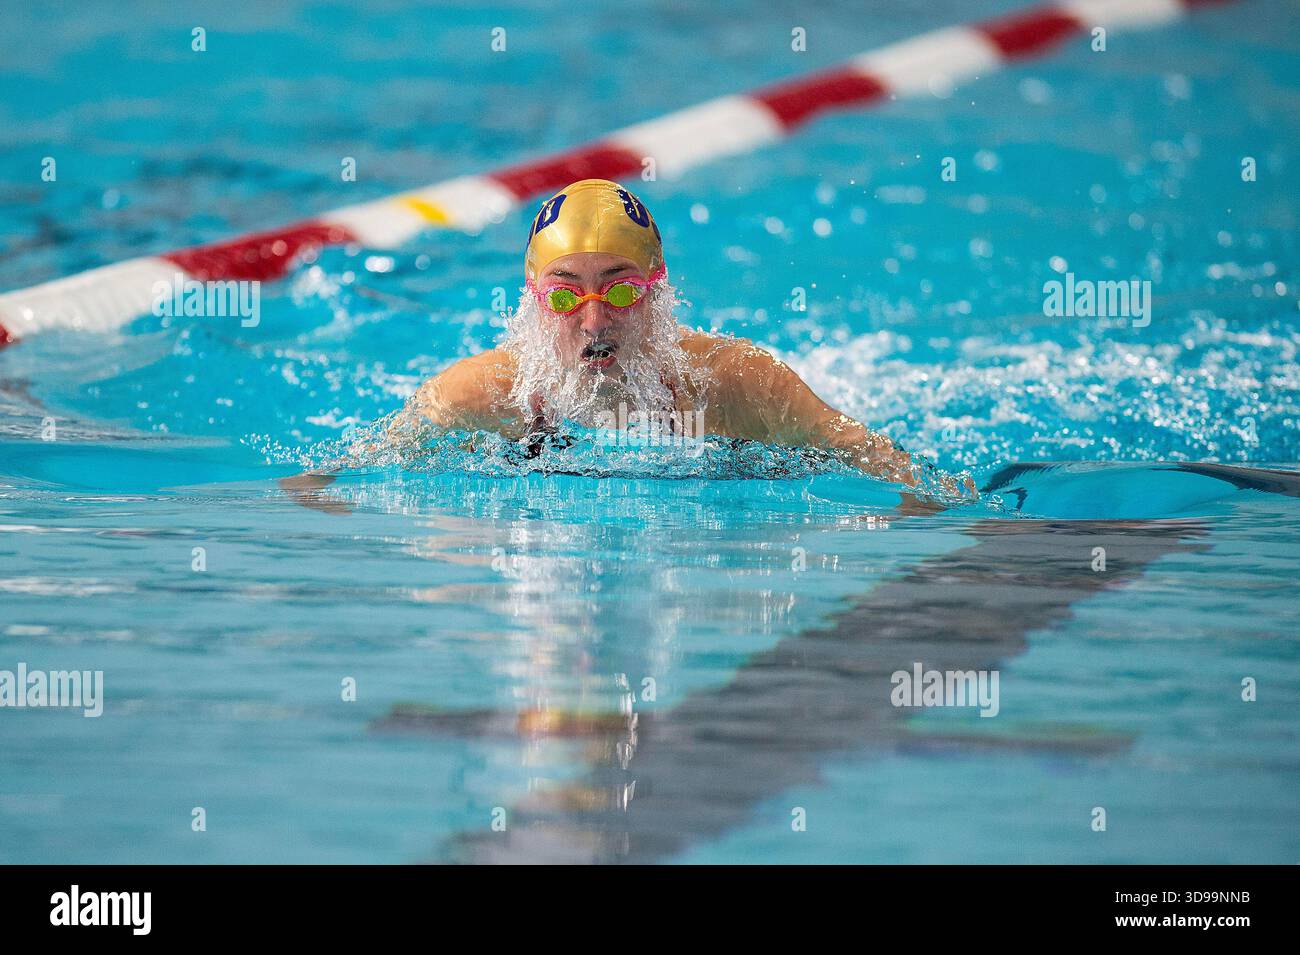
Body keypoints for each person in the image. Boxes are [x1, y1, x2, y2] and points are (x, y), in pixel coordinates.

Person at [284, 178, 973, 499]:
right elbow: (333, 475)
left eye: (619, 289)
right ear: (531, 297)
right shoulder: (476, 395)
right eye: (564, 294)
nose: (593, 321)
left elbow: (885, 464)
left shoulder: (737, 385)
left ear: (658, 286)